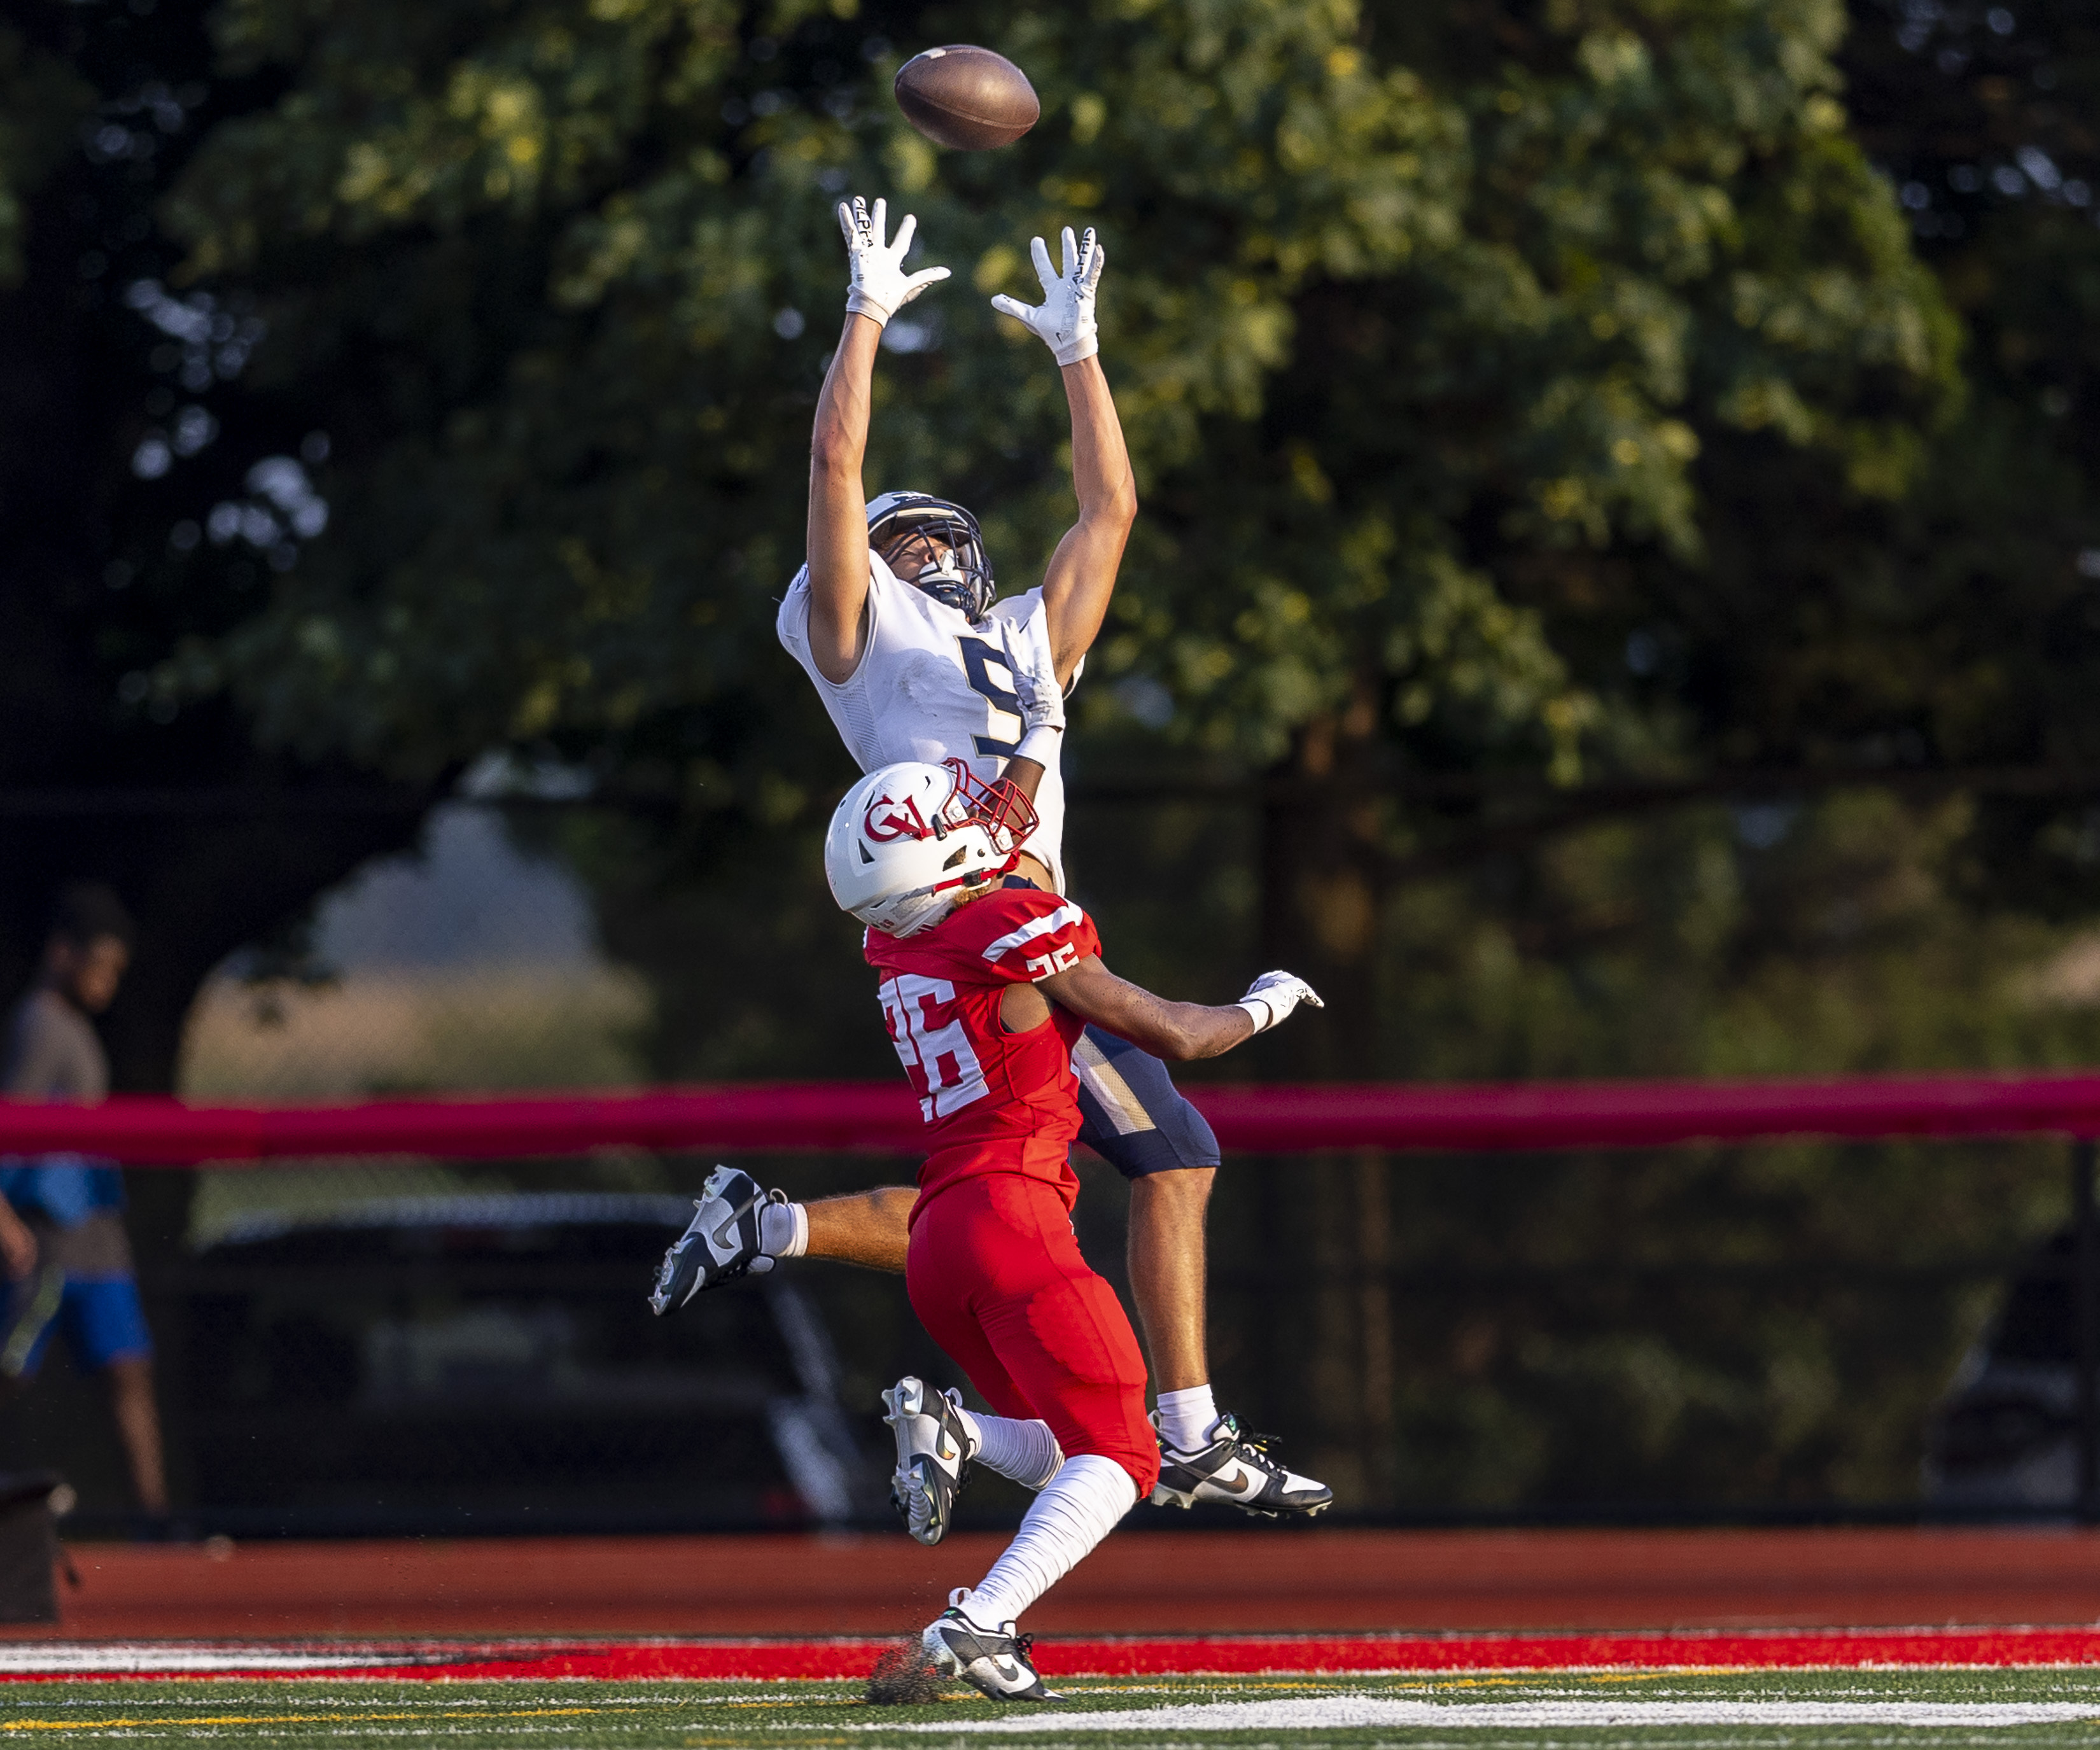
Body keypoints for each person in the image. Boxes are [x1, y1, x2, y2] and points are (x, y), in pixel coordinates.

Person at [703, 192, 1329, 1515]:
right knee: (1161, 1147)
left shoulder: (1025, 638)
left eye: (939, 535)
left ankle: (968, 1412)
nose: (923, 549)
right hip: (981, 928)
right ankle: (1184, 1427)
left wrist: (1077, 349)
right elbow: (831, 472)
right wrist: (865, 315)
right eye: (900, 540)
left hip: (1021, 931)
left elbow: (1111, 507)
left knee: (1012, 1183)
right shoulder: (859, 640)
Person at [665, 760, 1324, 1699]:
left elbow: (956, 871)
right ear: (939, 853)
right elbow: (1175, 1031)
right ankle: (981, 1619)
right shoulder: (1009, 924)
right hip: (1016, 1222)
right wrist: (1264, 1002)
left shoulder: (897, 947)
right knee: (1130, 1456)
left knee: (1071, 1442)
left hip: (940, 1237)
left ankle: (959, 1431)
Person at [0, 883, 167, 1515]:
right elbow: (10, 1126)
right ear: (63, 953)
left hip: (97, 1235)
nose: (107, 981)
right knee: (12, 1367)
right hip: (50, 1235)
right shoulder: (40, 1023)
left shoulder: (75, 1027)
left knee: (129, 1368)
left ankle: (155, 1516)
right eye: (99, 964)